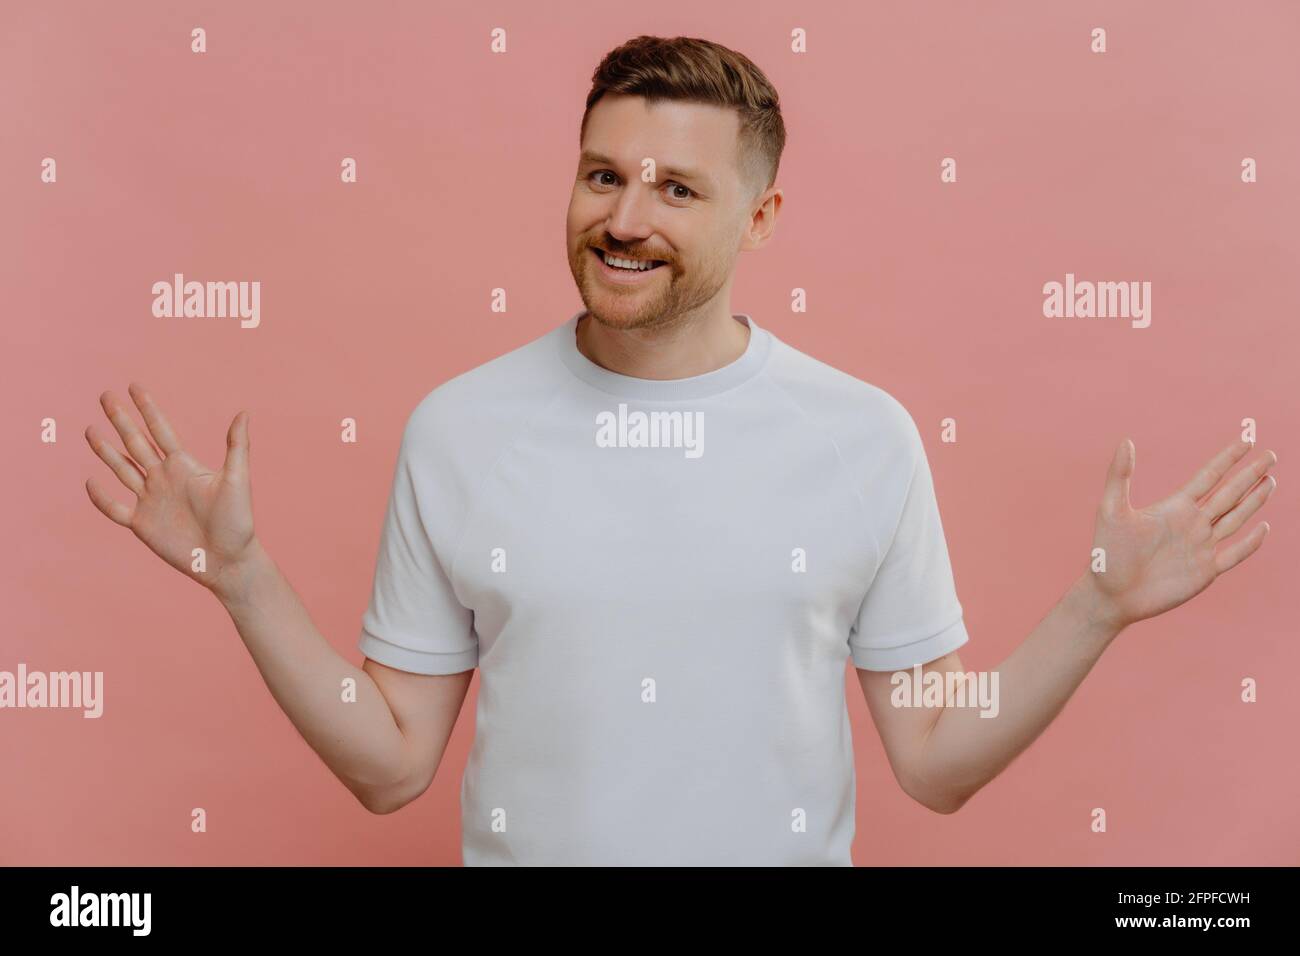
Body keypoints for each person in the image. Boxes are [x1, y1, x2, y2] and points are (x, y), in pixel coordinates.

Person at [84, 35, 1278, 866]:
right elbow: (392, 761)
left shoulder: (863, 435)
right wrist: (240, 578)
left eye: (675, 189)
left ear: (759, 218)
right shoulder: (459, 427)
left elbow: (934, 757)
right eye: (601, 175)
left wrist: (1097, 606)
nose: (624, 217)